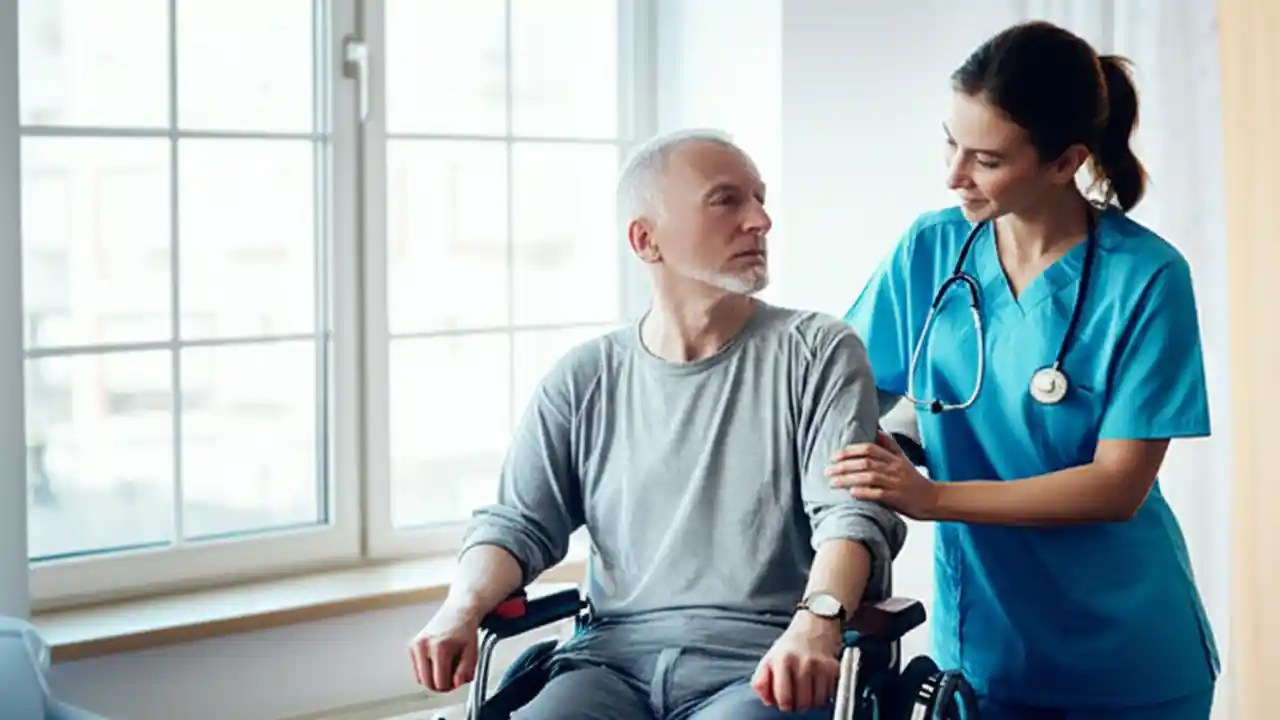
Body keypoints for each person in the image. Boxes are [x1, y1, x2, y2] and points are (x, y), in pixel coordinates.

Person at [407, 129, 907, 720]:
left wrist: (817, 623)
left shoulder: (818, 350)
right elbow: (516, 524)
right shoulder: (584, 378)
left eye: (760, 198)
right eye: (727, 200)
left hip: (765, 661)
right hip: (608, 663)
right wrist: (459, 610)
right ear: (647, 240)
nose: (761, 220)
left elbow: (849, 515)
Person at [830, 20, 1218, 720]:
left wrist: (933, 498)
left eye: (986, 159)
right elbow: (839, 395)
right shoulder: (932, 248)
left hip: (1126, 655)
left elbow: (1116, 486)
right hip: (985, 648)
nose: (953, 175)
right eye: (950, 142)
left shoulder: (1147, 277)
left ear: (1066, 161)